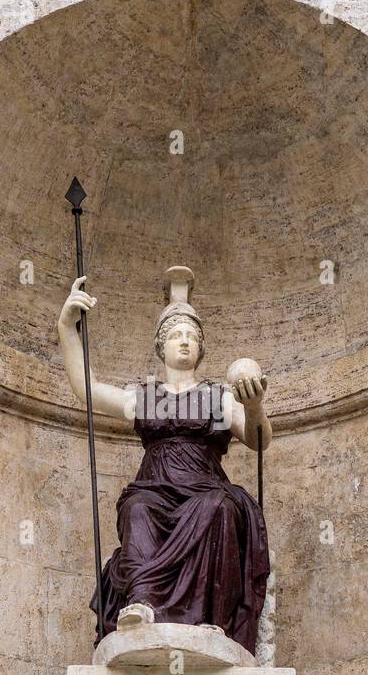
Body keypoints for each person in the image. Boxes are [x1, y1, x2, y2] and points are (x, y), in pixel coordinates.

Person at [57, 270, 271, 653]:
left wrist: (253, 405)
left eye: (191, 336)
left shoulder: (219, 396)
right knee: (137, 509)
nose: (184, 341)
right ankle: (141, 606)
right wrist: (67, 329)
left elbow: (258, 440)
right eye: (176, 335)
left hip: (204, 490)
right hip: (154, 490)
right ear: (161, 346)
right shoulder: (144, 396)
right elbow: (86, 390)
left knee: (220, 508)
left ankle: (212, 620)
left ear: (201, 348)